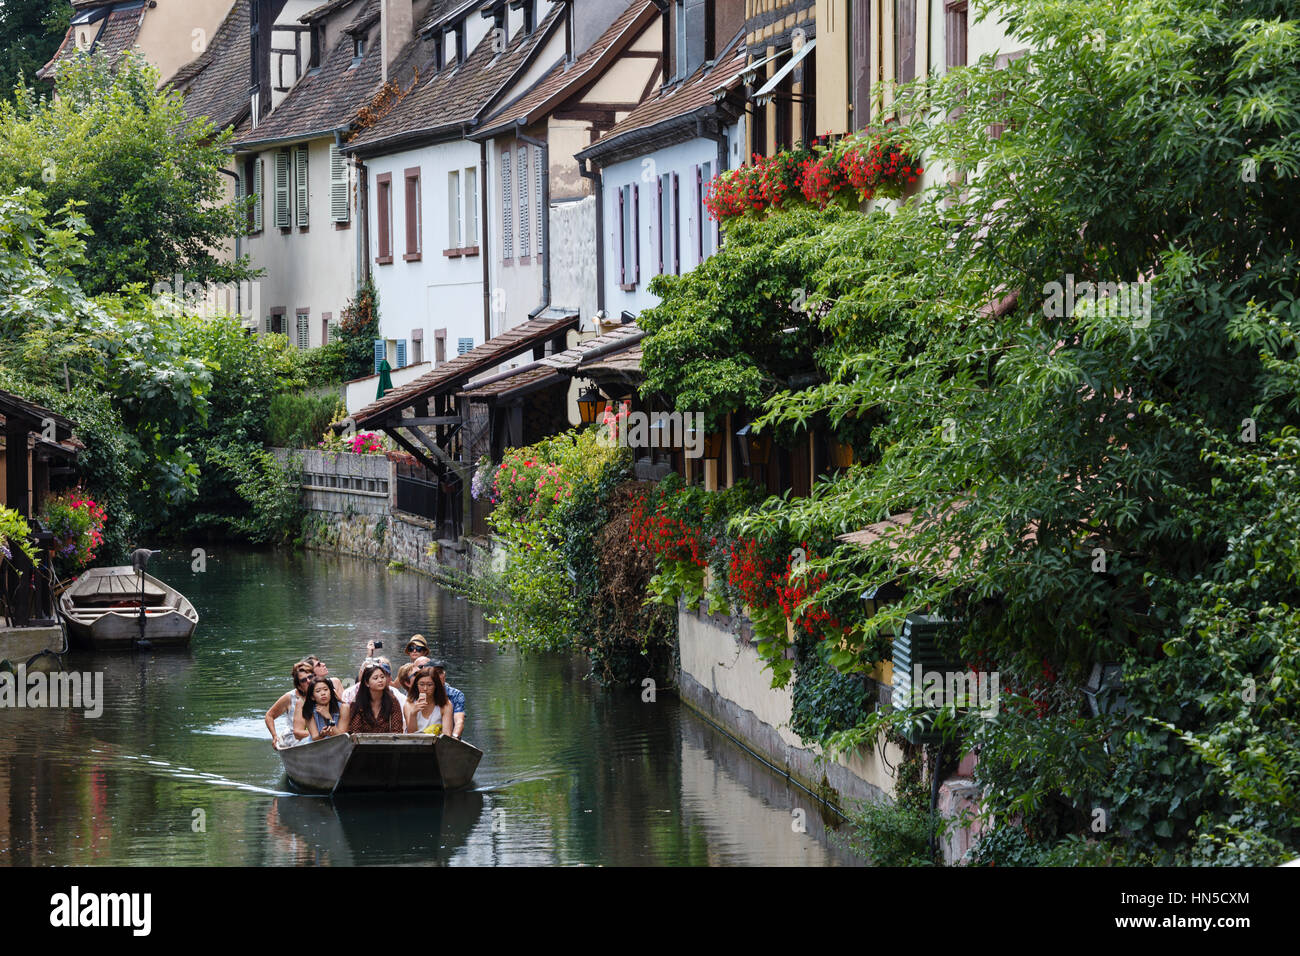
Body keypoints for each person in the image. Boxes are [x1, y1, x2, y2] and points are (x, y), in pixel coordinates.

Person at [413, 657, 466, 740]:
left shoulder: (455, 695)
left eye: (440, 673)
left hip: (447, 737)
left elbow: (459, 720)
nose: (437, 676)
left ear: (444, 676)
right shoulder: (415, 695)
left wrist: (455, 737)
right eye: (434, 673)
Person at [347, 660, 406, 734]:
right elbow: (354, 731)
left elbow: (397, 730)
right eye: (375, 678)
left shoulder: (392, 701)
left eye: (382, 677)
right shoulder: (358, 702)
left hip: (388, 743)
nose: (380, 680)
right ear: (366, 683)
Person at [265, 661, 313, 749]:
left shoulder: (322, 692)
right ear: (299, 686)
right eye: (303, 680)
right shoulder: (289, 697)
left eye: (310, 677)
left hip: (315, 735)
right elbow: (269, 715)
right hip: (295, 739)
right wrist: (275, 736)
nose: (308, 681)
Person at [298, 676, 349, 741]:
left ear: (330, 692)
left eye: (325, 689)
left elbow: (342, 738)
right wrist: (322, 735)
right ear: (312, 697)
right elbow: (314, 737)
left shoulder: (344, 708)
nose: (323, 693)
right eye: (318, 691)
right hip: (317, 746)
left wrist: (329, 717)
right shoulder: (309, 710)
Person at [405, 666, 454, 736]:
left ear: (436, 686)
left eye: (429, 685)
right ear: (416, 685)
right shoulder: (409, 704)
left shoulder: (445, 704)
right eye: (421, 684)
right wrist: (413, 714)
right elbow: (411, 736)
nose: (425, 688)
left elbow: (447, 735)